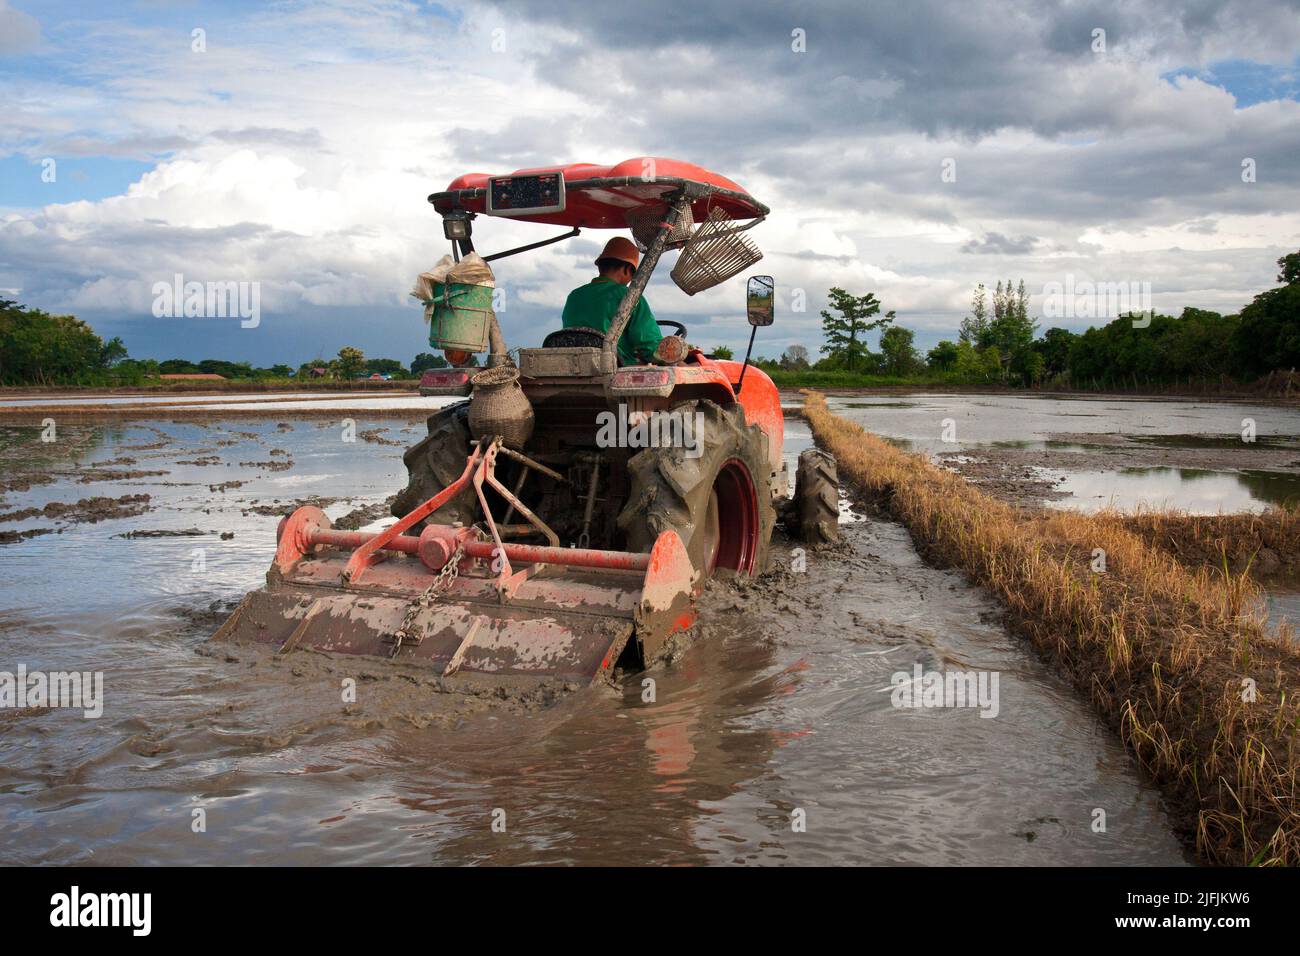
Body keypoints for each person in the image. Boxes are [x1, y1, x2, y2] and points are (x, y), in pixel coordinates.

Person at [561, 236, 661, 365]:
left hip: (576, 367)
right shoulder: (630, 296)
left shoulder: (574, 296)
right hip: (615, 371)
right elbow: (652, 347)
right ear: (626, 269)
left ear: (600, 267)